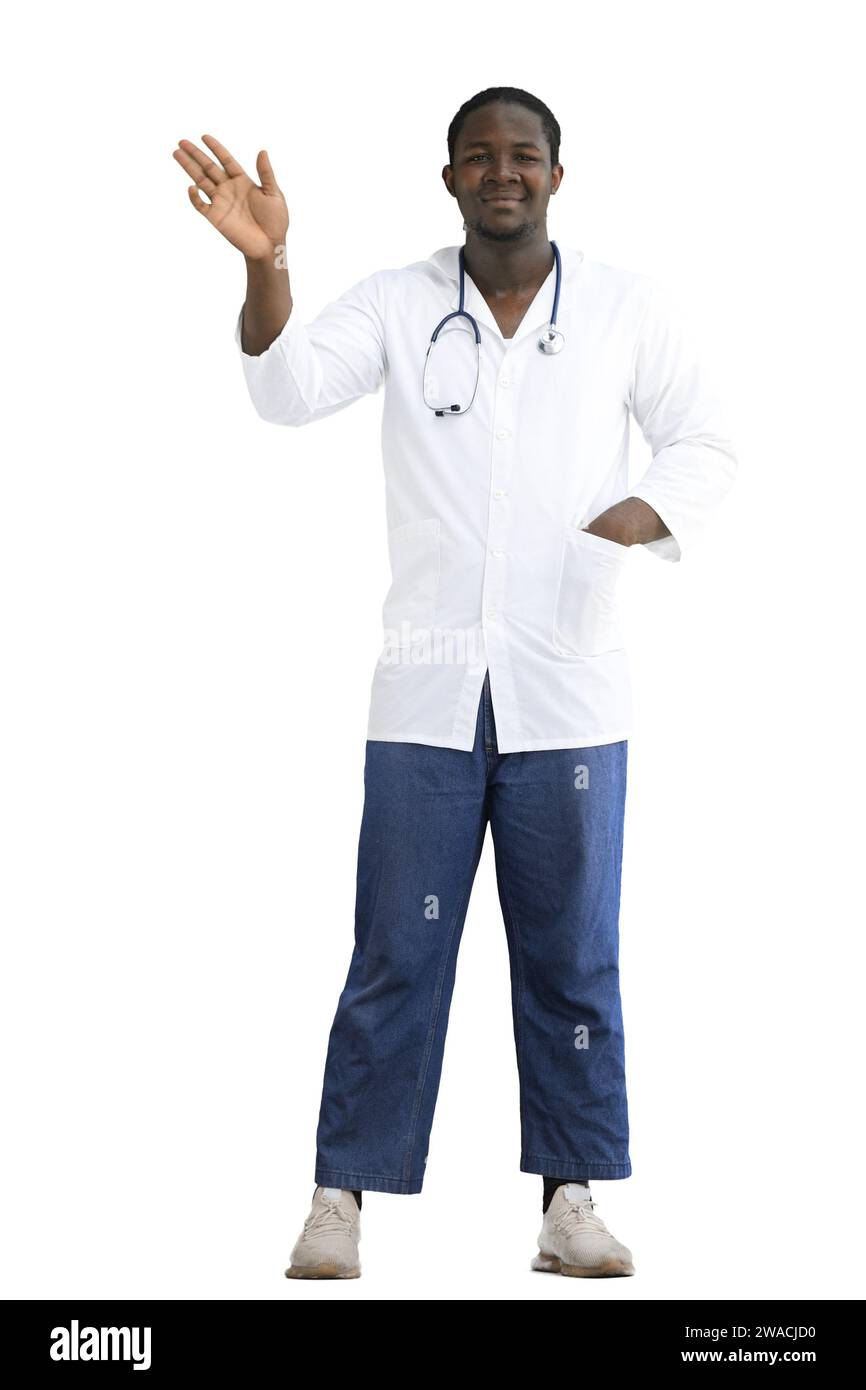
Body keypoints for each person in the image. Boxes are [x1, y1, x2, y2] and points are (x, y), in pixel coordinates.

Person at [172, 86, 737, 1281]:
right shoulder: (396, 301)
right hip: (425, 696)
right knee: (394, 947)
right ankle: (340, 1195)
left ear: (554, 176)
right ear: (448, 180)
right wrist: (269, 265)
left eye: (521, 155)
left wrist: (641, 513)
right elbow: (281, 392)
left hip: (569, 693)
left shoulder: (626, 309)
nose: (501, 172)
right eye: (477, 156)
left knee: (571, 953)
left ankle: (570, 1195)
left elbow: (706, 437)